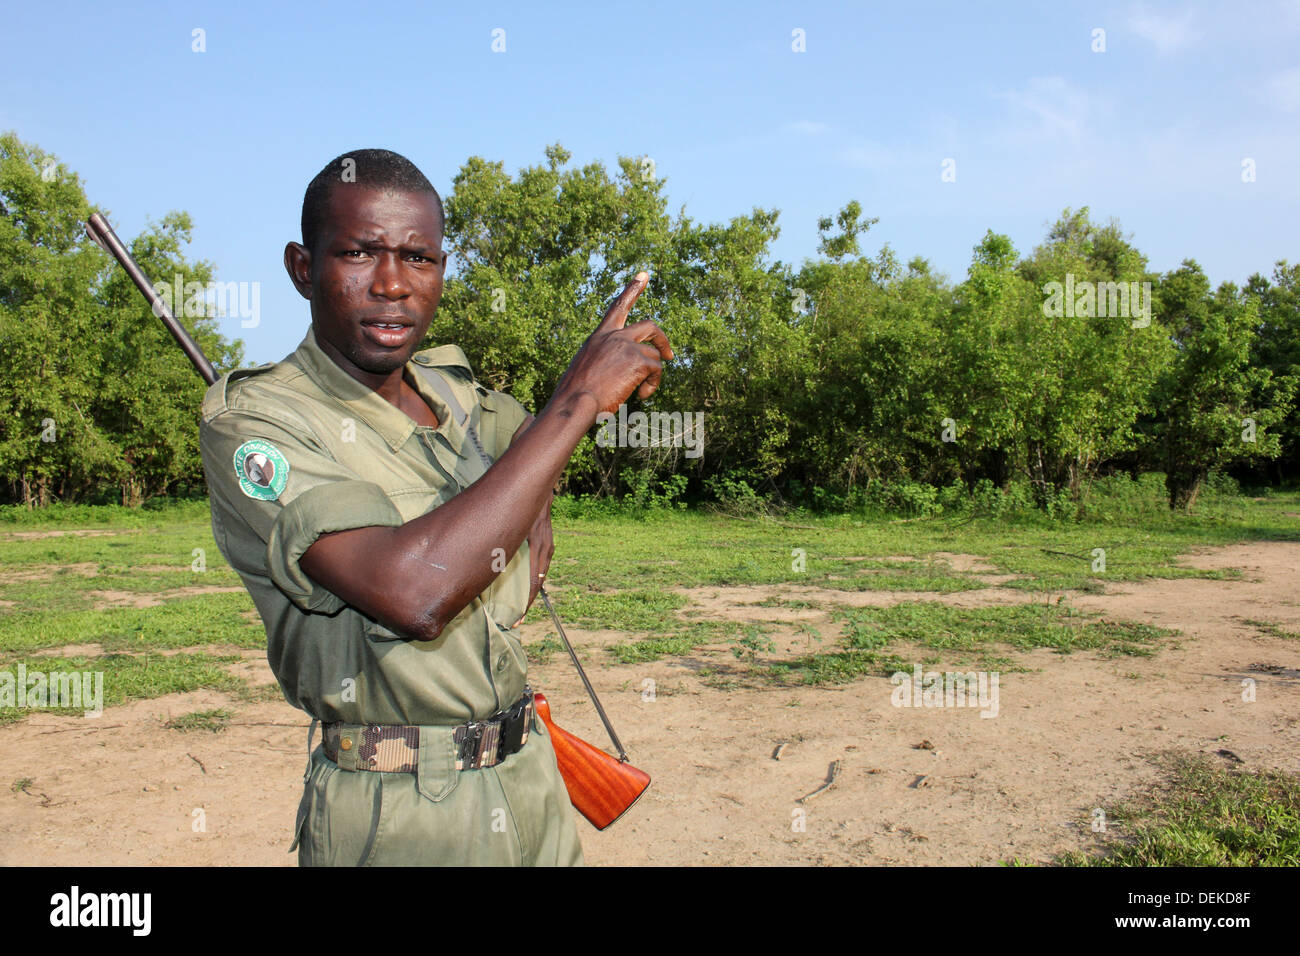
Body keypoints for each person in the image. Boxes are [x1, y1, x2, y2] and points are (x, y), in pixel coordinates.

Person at [198, 148, 672, 866]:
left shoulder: (455, 395)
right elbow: (414, 593)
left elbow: (520, 455)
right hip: (398, 813)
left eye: (418, 259)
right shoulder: (258, 426)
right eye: (359, 253)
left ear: (441, 272)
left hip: (530, 782)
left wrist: (565, 411)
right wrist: (579, 399)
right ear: (302, 267)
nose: (391, 284)